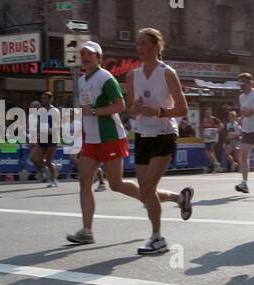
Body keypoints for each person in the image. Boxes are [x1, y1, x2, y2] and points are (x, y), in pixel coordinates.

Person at [66, 39, 191, 246]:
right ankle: (87, 231)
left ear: (99, 58)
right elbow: (126, 109)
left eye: (89, 54)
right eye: (82, 54)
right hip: (91, 137)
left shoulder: (106, 78)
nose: (85, 57)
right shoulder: (81, 81)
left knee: (117, 184)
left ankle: (174, 198)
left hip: (111, 137)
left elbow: (120, 106)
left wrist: (95, 111)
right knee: (84, 182)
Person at [123, 28, 196, 254]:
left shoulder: (167, 73)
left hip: (165, 135)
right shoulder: (132, 75)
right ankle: (179, 198)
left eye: (144, 43)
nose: (140, 48)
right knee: (146, 191)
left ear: (156, 46)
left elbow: (183, 108)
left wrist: (159, 112)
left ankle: (157, 238)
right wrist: (134, 108)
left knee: (147, 189)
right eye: (138, 44)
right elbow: (129, 110)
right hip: (143, 135)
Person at [29, 92, 62, 187]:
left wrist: (50, 130)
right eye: (42, 98)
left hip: (52, 138)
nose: (43, 100)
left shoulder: (55, 111)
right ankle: (49, 169)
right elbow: (38, 123)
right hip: (42, 137)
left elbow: (57, 125)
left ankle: (54, 179)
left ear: (51, 99)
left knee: (48, 160)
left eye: (45, 98)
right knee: (34, 158)